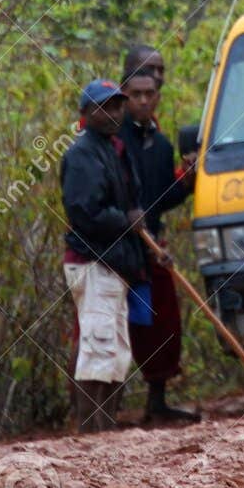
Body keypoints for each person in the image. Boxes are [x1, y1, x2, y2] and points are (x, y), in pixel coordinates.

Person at [61, 79, 150, 431]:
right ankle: (90, 432)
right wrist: (127, 221)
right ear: (85, 113)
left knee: (116, 348)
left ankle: (106, 428)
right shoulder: (81, 154)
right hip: (92, 261)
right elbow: (85, 213)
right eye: (104, 106)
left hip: (115, 264)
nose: (113, 112)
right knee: (98, 346)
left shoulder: (114, 148)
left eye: (117, 105)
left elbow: (128, 206)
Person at [120, 62, 200, 423]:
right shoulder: (113, 141)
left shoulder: (162, 142)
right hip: (117, 249)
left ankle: (157, 402)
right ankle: (104, 411)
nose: (142, 101)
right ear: (124, 97)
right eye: (135, 95)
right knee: (117, 328)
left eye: (149, 94)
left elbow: (160, 197)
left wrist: (186, 182)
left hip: (153, 247)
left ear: (157, 98)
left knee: (161, 322)